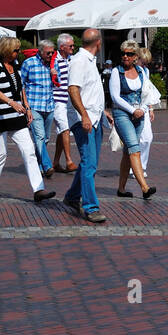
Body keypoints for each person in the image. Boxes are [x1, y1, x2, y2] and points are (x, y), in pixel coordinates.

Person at [0, 37, 53, 204]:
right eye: (15, 50)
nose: (18, 53)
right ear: (7, 50)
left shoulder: (16, 66)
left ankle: (39, 189)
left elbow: (21, 89)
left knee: (28, 150)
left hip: (16, 116)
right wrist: (12, 103)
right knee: (0, 154)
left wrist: (26, 107)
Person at [64, 28, 107, 223]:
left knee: (89, 163)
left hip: (94, 117)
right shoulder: (80, 61)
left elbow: (89, 92)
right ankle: (91, 207)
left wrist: (102, 111)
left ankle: (73, 196)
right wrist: (84, 116)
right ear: (99, 42)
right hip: (85, 120)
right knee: (89, 164)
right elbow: (73, 89)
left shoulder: (88, 61)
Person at [110, 41, 156, 199]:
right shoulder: (117, 72)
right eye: (123, 53)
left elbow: (147, 93)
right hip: (122, 114)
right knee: (134, 148)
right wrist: (132, 110)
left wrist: (143, 109)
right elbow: (115, 97)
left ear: (136, 56)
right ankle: (144, 187)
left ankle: (121, 189)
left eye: (129, 54)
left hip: (139, 114)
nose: (125, 56)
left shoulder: (142, 72)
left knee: (127, 152)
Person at [19, 40, 57, 176]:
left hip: (49, 106)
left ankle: (38, 164)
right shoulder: (29, 63)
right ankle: (47, 166)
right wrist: (26, 106)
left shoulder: (53, 64)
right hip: (34, 105)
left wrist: (55, 74)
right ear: (40, 51)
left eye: (52, 52)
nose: (51, 55)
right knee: (39, 137)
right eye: (48, 52)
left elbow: (58, 83)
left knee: (45, 138)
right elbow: (21, 84)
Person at [50, 33, 78, 172]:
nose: (73, 47)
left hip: (69, 100)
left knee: (63, 131)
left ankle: (55, 162)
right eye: (71, 46)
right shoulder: (53, 60)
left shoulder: (71, 60)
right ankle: (69, 160)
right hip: (57, 100)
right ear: (62, 47)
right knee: (65, 128)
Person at [137, 47, 161, 174]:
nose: (145, 64)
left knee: (147, 138)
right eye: (143, 61)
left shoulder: (145, 71)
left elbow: (149, 91)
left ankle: (142, 166)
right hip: (135, 107)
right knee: (136, 138)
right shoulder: (134, 71)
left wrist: (151, 108)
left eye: (147, 62)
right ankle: (135, 167)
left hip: (145, 107)